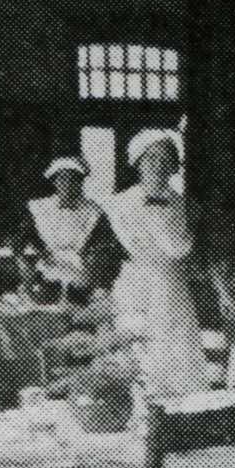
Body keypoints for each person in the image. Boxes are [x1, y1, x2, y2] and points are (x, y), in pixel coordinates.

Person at [104, 129, 207, 398]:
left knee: (175, 351)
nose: (158, 165)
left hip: (172, 287)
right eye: (150, 158)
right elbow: (109, 256)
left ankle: (180, 416)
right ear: (138, 162)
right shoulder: (119, 205)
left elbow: (182, 250)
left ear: (174, 166)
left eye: (165, 159)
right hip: (135, 285)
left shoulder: (187, 206)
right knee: (138, 351)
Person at [16, 156, 117, 306]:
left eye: (74, 180)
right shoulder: (38, 208)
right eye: (62, 179)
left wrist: (93, 264)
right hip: (45, 272)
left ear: (81, 183)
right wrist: (35, 253)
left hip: (82, 275)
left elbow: (105, 245)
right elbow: (21, 241)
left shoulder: (94, 212)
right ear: (55, 182)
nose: (68, 185)